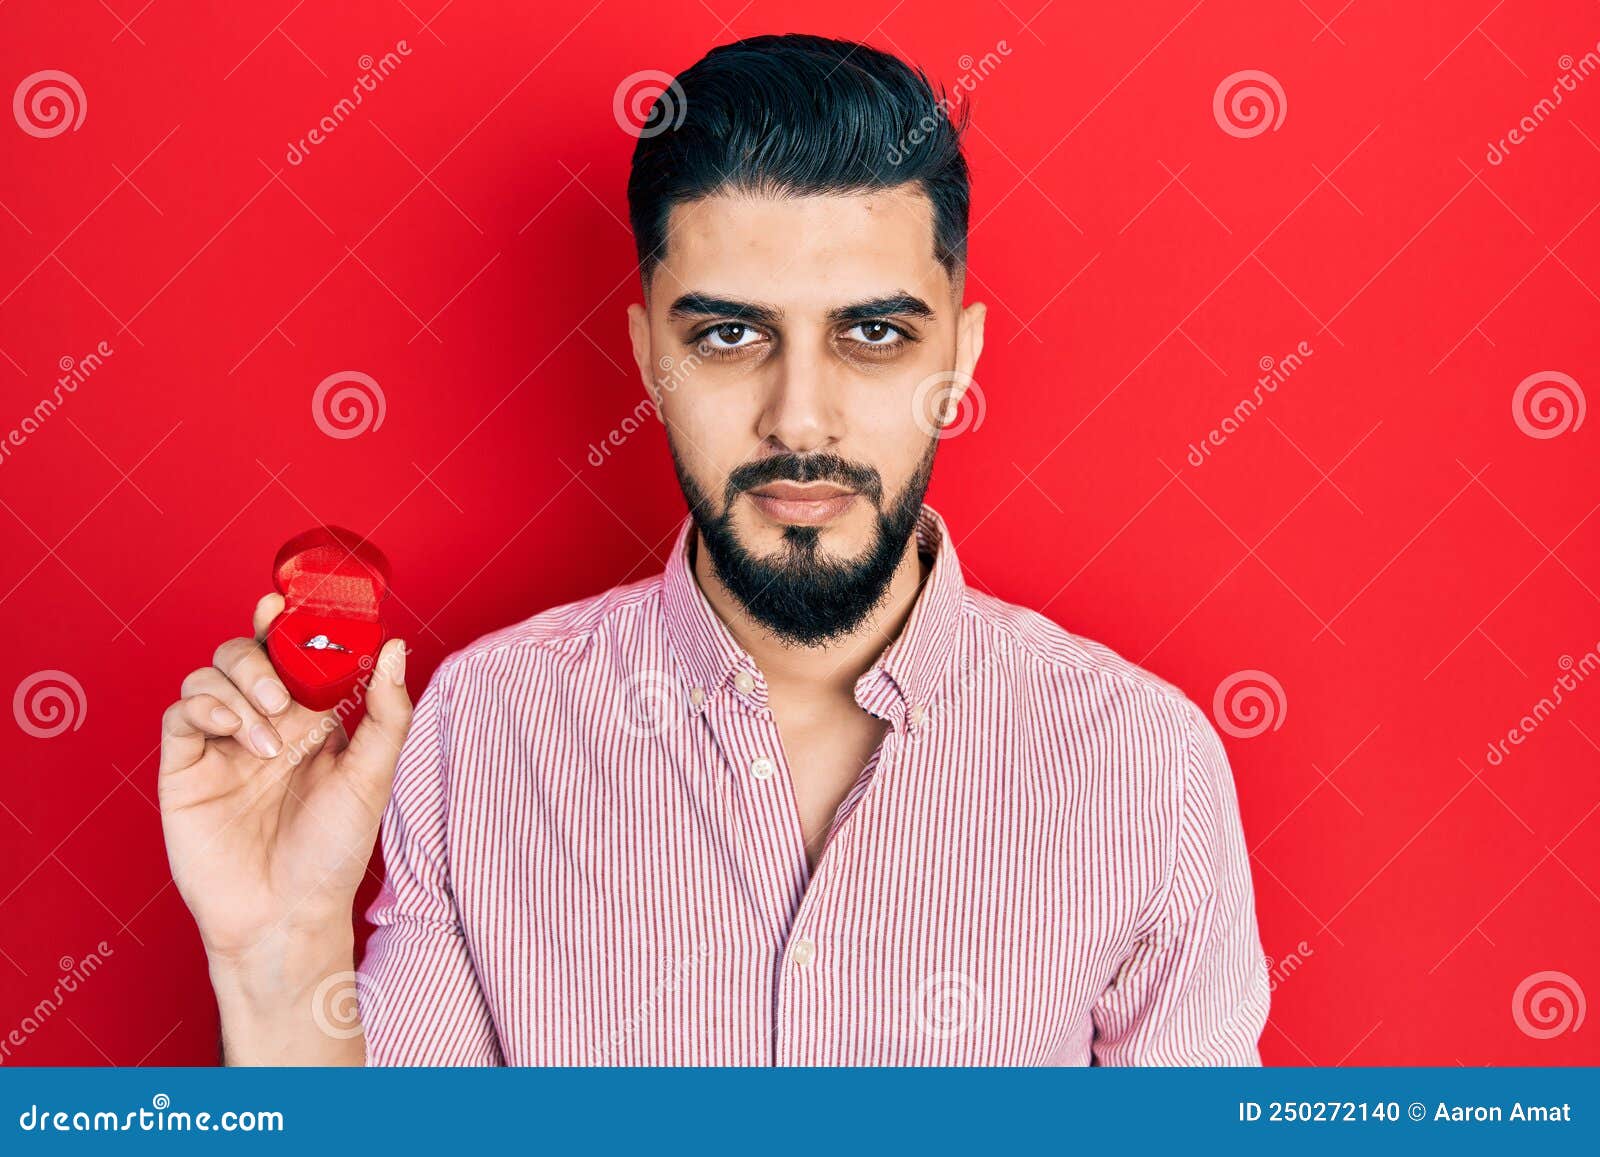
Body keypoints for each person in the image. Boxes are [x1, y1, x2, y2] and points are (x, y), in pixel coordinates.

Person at [158, 32, 1270, 1065]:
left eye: (872, 333)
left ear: (959, 356)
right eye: (729, 334)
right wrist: (280, 949)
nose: (798, 418)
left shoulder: (1143, 767)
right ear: (650, 353)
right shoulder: (484, 730)